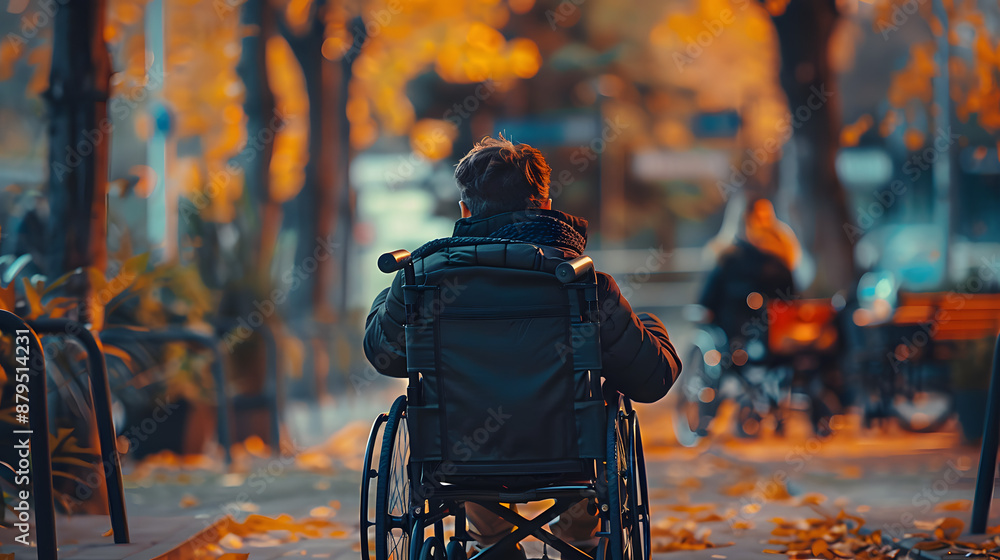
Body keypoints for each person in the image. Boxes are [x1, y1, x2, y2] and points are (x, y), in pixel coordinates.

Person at [364, 135, 682, 559]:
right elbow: (652, 379)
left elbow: (385, 354)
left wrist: (387, 298)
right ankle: (579, 539)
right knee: (596, 400)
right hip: (568, 455)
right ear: (546, 204)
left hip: (461, 459)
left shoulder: (423, 280)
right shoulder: (582, 282)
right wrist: (651, 327)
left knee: (453, 406)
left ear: (465, 210)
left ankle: (492, 541)